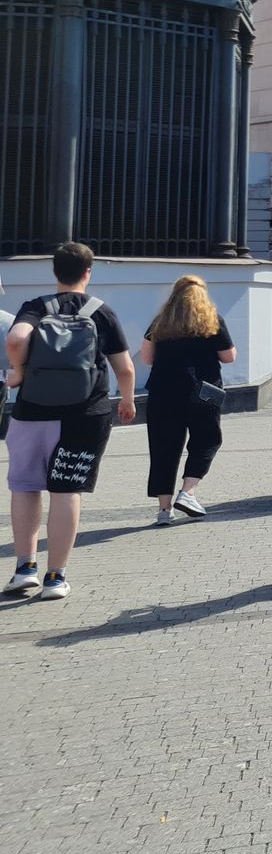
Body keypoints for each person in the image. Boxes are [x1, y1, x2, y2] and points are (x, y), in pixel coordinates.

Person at [4, 241, 136, 601]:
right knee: (66, 492)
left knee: (25, 487)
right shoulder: (101, 312)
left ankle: (24, 569)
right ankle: (55, 577)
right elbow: (124, 367)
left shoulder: (35, 307)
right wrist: (126, 401)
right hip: (85, 414)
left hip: (32, 410)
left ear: (54, 272)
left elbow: (17, 339)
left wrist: (18, 372)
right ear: (87, 272)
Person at [141, 274, 235, 525]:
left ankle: (163, 510)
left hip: (163, 392)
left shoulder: (160, 322)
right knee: (207, 440)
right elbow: (229, 357)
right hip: (203, 392)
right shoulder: (213, 321)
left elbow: (146, 357)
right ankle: (188, 491)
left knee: (163, 448)